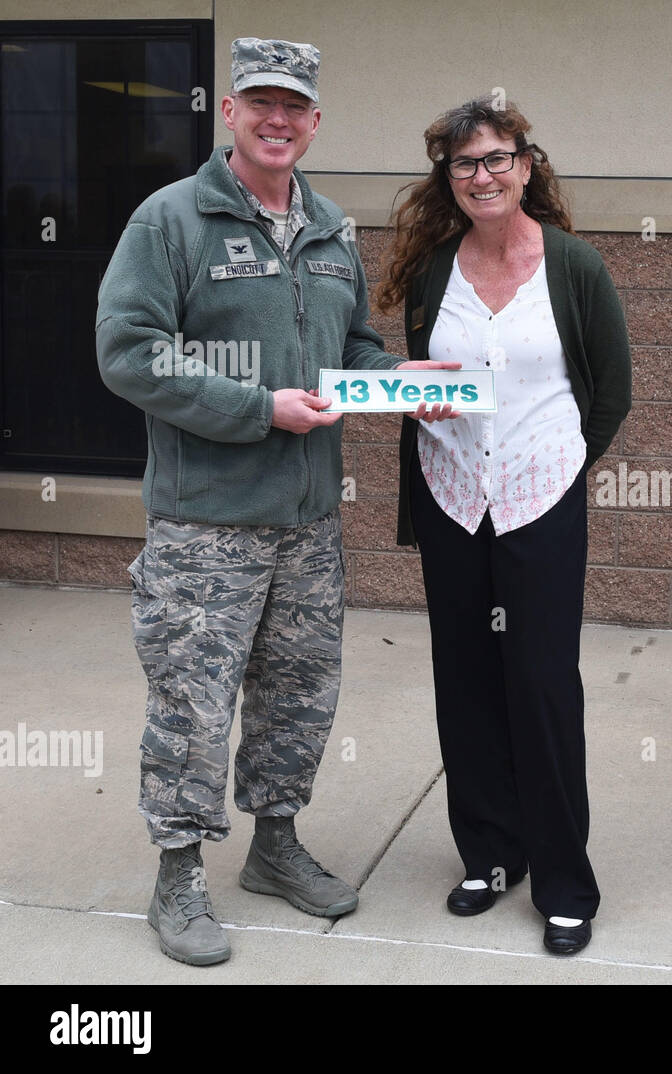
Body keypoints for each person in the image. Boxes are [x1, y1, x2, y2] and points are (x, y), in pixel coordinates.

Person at [96, 37, 455, 966]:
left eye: (294, 106)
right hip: (204, 525)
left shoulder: (332, 230)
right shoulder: (172, 221)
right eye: (261, 101)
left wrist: (404, 379)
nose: (278, 119)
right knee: (192, 703)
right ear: (229, 111)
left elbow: (353, 356)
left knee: (298, 696)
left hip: (308, 525)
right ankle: (178, 873)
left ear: (315, 122)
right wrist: (257, 409)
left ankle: (275, 846)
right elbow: (132, 352)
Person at [376, 96, 631, 955]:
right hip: (451, 499)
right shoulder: (432, 273)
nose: (481, 175)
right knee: (467, 678)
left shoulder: (574, 267)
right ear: (447, 180)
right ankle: (490, 853)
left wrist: (554, 466)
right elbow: (413, 379)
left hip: (539, 500)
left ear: (525, 165)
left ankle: (564, 881)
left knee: (543, 685)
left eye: (496, 159)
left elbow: (610, 395)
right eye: (463, 164)